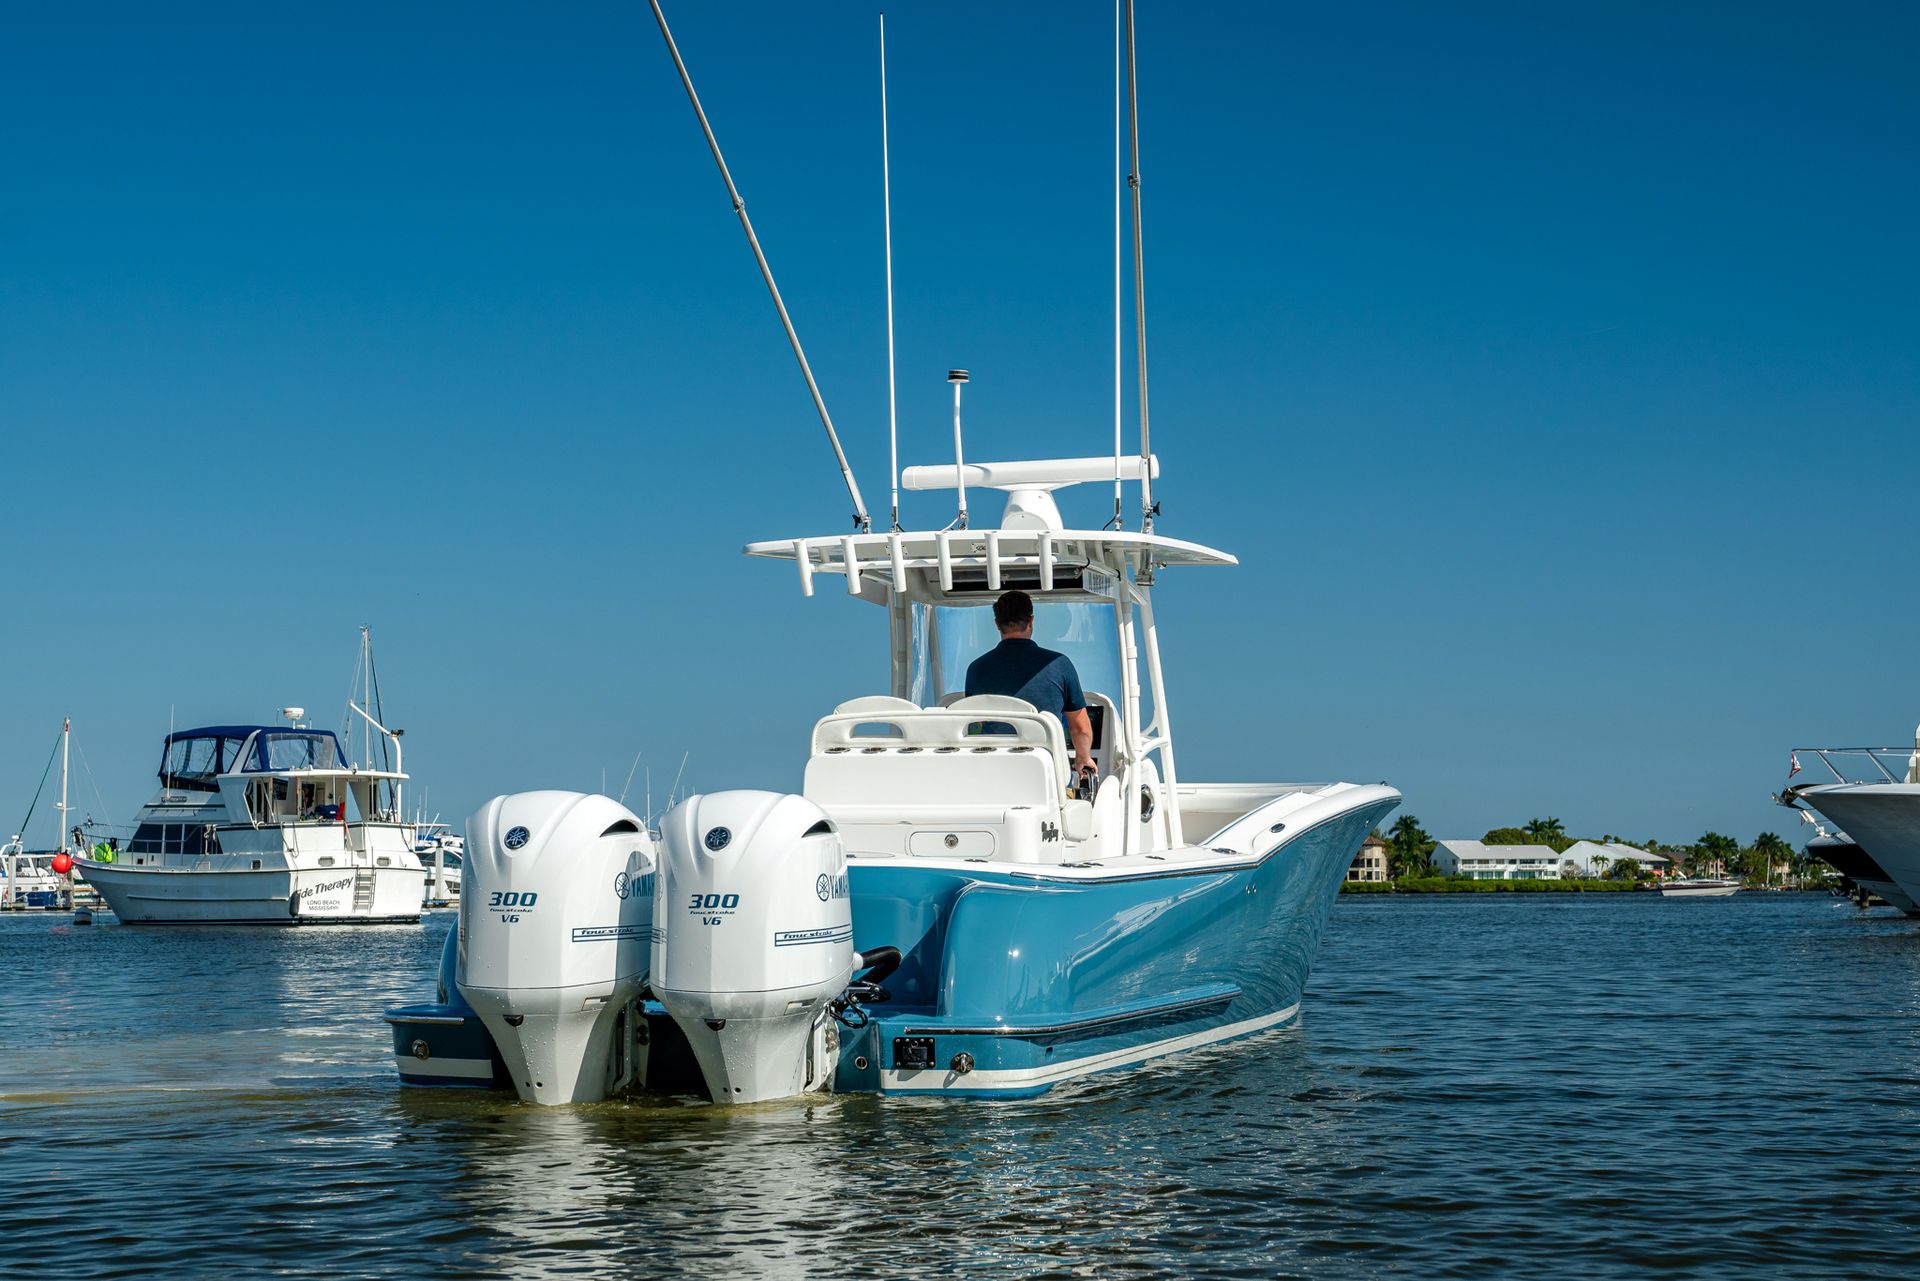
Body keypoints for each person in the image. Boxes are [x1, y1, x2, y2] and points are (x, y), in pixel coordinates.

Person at [964, 590, 1095, 777]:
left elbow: (973, 722)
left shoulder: (976, 669)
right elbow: (1081, 728)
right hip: (1047, 777)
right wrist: (1083, 758)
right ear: (1031, 621)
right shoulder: (1059, 664)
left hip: (992, 776)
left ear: (997, 624)